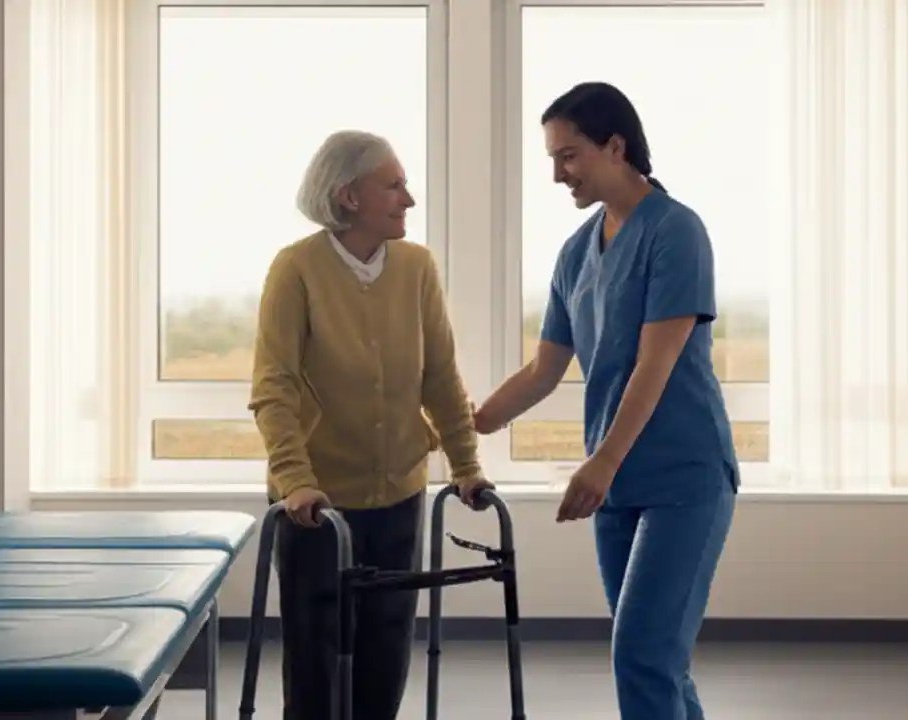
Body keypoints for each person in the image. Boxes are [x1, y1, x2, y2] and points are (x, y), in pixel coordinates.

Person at [473, 82, 738, 720]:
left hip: (684, 475)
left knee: (643, 655)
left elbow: (657, 361)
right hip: (618, 484)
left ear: (615, 146)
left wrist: (602, 462)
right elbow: (543, 371)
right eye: (552, 159)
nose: (557, 174)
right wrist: (463, 425)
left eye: (568, 156)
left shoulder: (677, 232)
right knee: (659, 663)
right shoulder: (574, 253)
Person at [249, 129, 492, 720]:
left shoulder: (416, 267)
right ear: (349, 196)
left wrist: (466, 467)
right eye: (394, 185)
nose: (407, 199)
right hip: (317, 504)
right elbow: (274, 387)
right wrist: (294, 479)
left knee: (385, 654)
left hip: (399, 495)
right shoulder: (296, 269)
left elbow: (439, 375)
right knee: (317, 658)